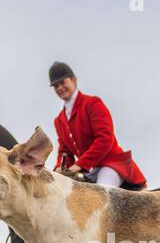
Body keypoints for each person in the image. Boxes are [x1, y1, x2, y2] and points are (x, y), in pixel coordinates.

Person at [48, 61, 146, 189]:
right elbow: (65, 151)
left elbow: (105, 138)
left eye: (62, 83)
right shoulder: (59, 120)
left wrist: (80, 164)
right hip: (90, 170)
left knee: (101, 194)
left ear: (73, 80)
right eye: (56, 86)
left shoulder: (92, 103)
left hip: (112, 164)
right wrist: (59, 170)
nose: (60, 88)